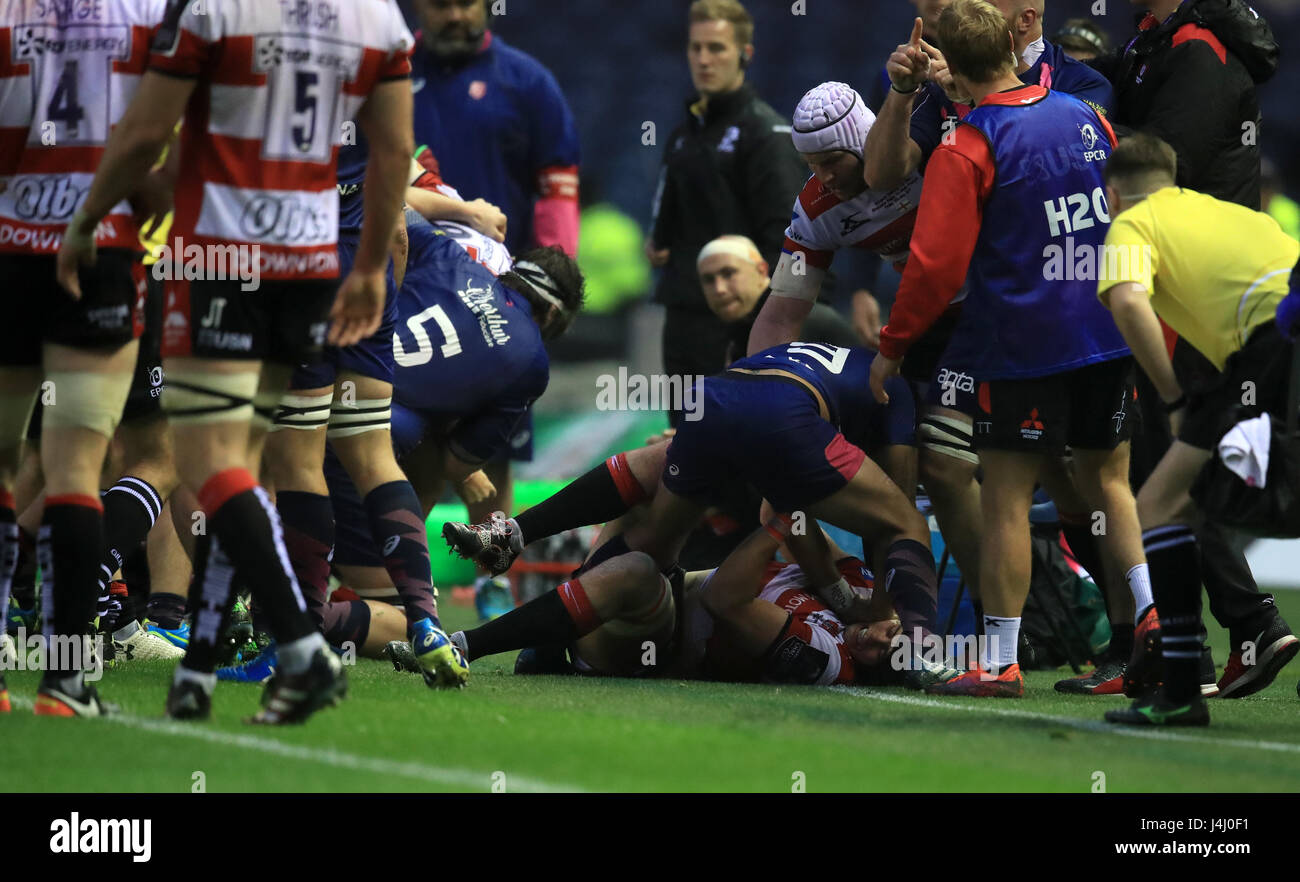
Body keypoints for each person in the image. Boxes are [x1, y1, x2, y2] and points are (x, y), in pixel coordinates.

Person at [58, 0, 416, 723]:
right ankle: (199, 668)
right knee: (243, 470)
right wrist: (372, 266)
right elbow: (395, 153)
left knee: (204, 460)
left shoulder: (214, 6)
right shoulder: (376, 14)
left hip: (223, 257)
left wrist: (90, 216)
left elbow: (150, 130)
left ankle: (302, 646)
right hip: (310, 262)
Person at [868, 0, 1150, 699]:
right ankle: (1153, 628)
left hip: (1024, 348)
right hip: (1107, 331)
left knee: (1005, 500)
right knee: (1112, 485)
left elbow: (933, 268)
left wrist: (893, 347)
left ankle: (999, 660)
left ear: (954, 76)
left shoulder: (967, 147)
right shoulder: (1087, 118)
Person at [1090, 0, 1288, 690]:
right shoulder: (1159, 46)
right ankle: (1232, 640)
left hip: (1261, 336)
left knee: (1168, 493)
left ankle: (1194, 665)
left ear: (1113, 191)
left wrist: (1175, 396)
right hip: (1266, 319)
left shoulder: (1136, 221)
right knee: (1179, 490)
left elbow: (1127, 299)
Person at [0, 0, 173, 716]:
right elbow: (165, 144)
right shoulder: (150, 12)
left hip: (8, 249)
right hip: (101, 251)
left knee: (8, 462)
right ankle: (66, 681)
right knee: (76, 468)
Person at [311, 214, 583, 666]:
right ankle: (287, 617)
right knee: (410, 620)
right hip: (365, 438)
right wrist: (464, 465)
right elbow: (456, 463)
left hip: (312, 387)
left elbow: (394, 214)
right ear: (553, 314)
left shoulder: (451, 257)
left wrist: (463, 212)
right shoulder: (532, 360)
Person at [262, 134, 468, 691]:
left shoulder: (272, 62)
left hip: (297, 268)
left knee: (298, 461)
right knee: (372, 454)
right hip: (368, 269)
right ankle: (426, 622)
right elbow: (398, 217)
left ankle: (296, 639)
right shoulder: (374, 52)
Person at [408, 0, 581, 566]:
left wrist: (557, 282)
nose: (455, 15)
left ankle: (485, 581)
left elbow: (558, 189)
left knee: (491, 445)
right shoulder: (387, 68)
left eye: (468, 3)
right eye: (441, 4)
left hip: (505, 292)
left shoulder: (528, 82)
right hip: (412, 275)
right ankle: (391, 570)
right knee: (438, 431)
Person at [647, 0, 809, 422]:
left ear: (745, 54)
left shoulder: (766, 134)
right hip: (682, 320)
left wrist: (763, 332)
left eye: (716, 48)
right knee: (684, 450)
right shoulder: (683, 135)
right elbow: (660, 240)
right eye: (696, 48)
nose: (703, 59)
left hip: (736, 326)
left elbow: (791, 245)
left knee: (736, 454)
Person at [696, 235, 857, 365]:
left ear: (761, 270)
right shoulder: (735, 334)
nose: (719, 289)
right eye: (708, 280)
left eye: (728, 273)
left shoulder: (796, 319)